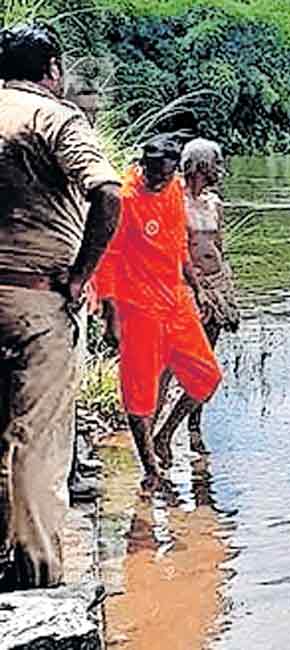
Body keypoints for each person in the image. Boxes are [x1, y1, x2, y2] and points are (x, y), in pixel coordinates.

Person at [0, 24, 122, 589]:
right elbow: (107, 194)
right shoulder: (55, 118)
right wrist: (80, 278)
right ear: (51, 68)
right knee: (37, 443)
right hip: (37, 302)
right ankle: (36, 578)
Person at [95, 134, 223, 493]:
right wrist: (110, 315)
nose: (161, 182)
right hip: (138, 309)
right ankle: (150, 467)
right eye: (155, 174)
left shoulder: (171, 190)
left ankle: (166, 433)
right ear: (145, 165)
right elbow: (108, 259)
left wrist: (195, 285)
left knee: (207, 376)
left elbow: (177, 241)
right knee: (140, 390)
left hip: (175, 302)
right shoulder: (125, 198)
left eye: (168, 175)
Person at [152, 139, 240, 464]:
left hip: (215, 288)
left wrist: (224, 292)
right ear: (202, 166)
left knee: (205, 363)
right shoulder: (173, 200)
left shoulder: (214, 203)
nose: (219, 172)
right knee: (171, 367)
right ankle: (154, 437)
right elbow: (170, 252)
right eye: (215, 165)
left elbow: (218, 249)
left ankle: (193, 428)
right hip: (186, 290)